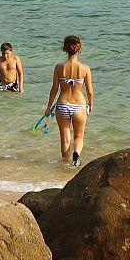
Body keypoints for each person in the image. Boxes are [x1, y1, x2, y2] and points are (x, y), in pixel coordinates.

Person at [44, 34, 93, 165]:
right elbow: (89, 90)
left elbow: (54, 89)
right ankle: (76, 154)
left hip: (63, 104)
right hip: (79, 105)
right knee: (78, 136)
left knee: (65, 140)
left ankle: (65, 166)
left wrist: (48, 107)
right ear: (79, 48)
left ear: (65, 49)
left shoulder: (59, 67)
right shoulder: (85, 68)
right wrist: (90, 104)